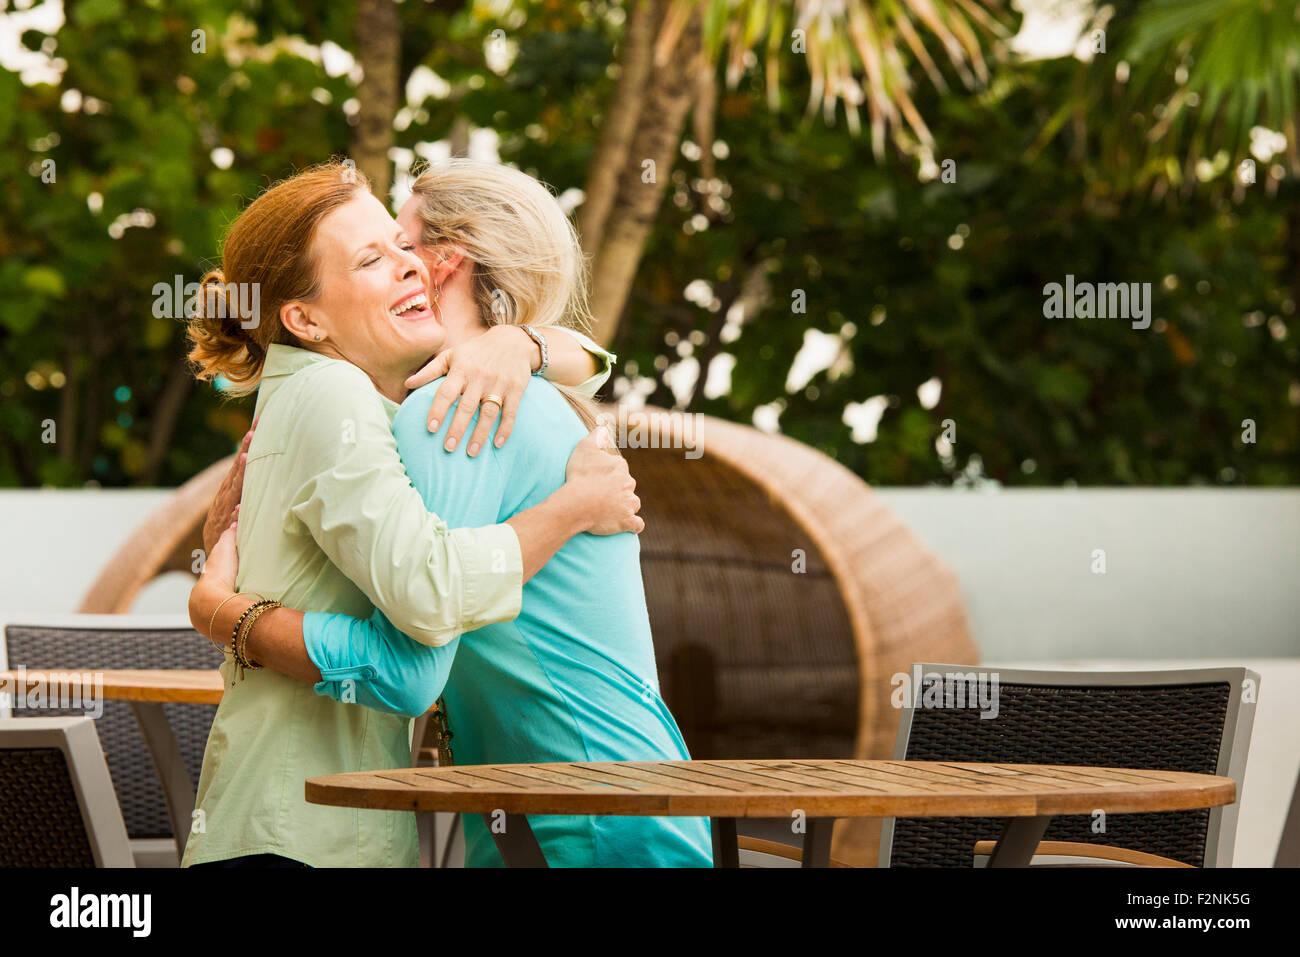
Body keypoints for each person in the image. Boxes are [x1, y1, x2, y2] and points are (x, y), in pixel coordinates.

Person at [190, 159, 712, 867]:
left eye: (403, 245)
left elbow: (409, 664)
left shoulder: (455, 405)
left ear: (447, 260)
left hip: (578, 817)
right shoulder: (476, 394)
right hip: (581, 805)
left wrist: (228, 614)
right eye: (380, 254)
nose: (405, 265)